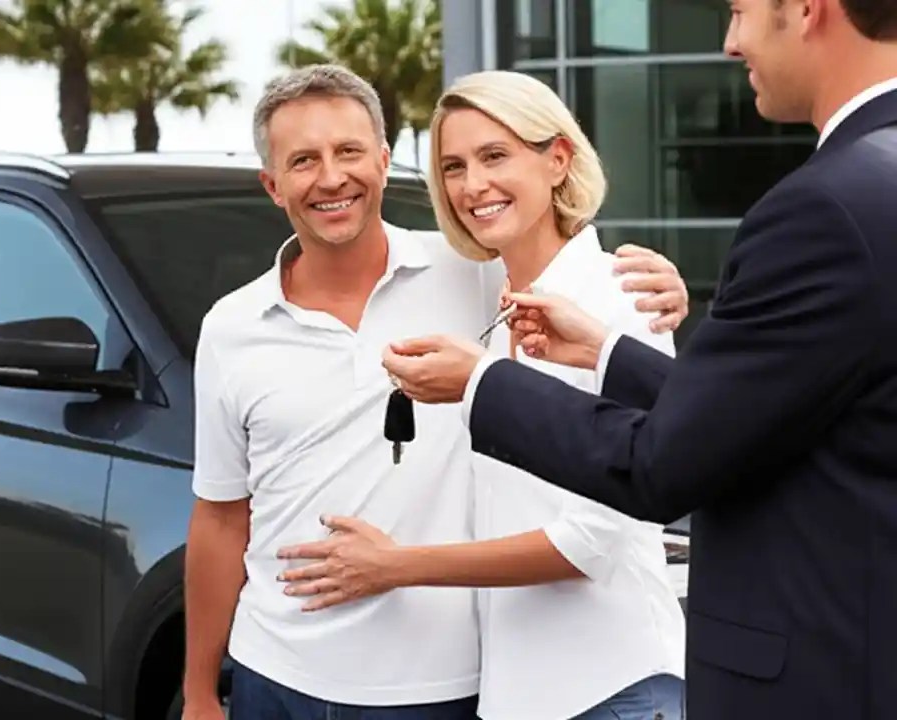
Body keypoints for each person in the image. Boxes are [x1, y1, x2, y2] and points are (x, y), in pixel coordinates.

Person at [378, 2, 897, 718]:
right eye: (453, 168)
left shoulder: (824, 208)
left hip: (702, 680)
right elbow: (758, 416)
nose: (730, 42)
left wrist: (481, 385)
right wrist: (609, 354)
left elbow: (662, 466)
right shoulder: (866, 184)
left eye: (739, 11)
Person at [181, 63, 691, 720]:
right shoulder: (231, 327)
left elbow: (599, 531)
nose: (331, 177)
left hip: (467, 688)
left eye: (349, 151)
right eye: (303, 160)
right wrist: (199, 691)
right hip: (279, 674)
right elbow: (221, 516)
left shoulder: (476, 275)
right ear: (273, 184)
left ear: (384, 160)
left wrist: (647, 292)